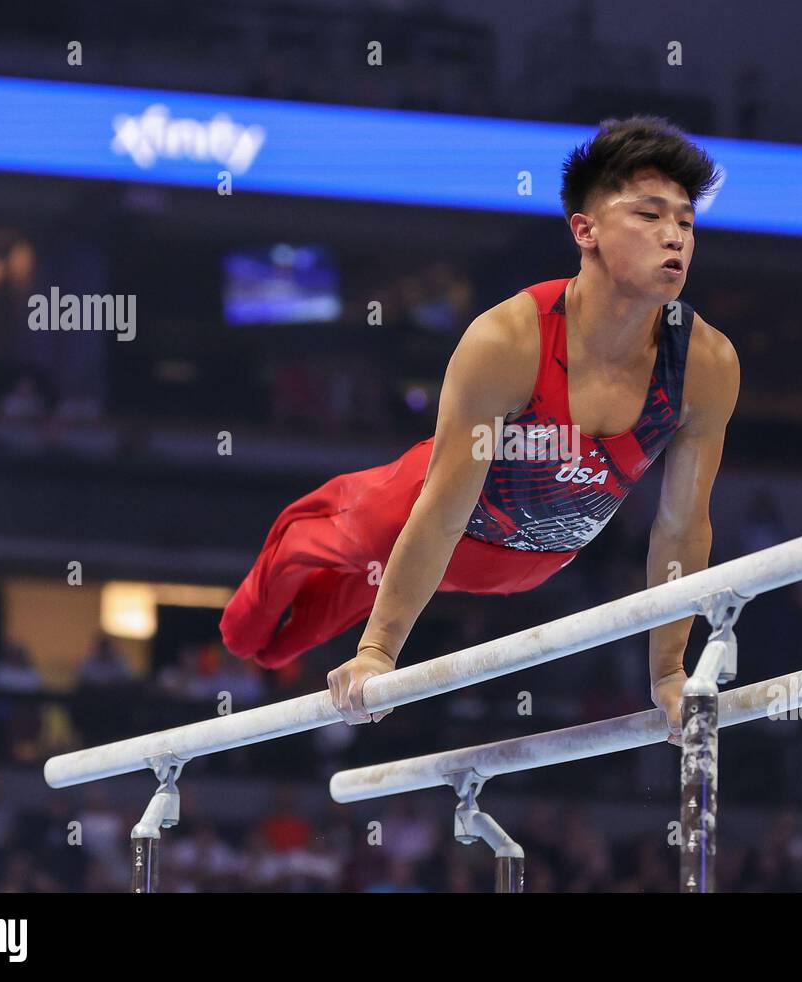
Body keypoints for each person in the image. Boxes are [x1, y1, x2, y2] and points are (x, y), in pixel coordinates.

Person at [220, 116, 740, 743]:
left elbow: (681, 524)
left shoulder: (705, 364)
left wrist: (668, 674)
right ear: (586, 230)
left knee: (360, 593)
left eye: (685, 221)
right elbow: (439, 514)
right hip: (419, 513)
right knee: (265, 626)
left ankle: (361, 600)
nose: (675, 237)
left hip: (541, 559)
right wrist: (380, 654)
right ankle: (249, 621)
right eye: (650, 216)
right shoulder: (509, 341)